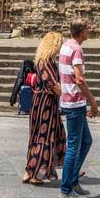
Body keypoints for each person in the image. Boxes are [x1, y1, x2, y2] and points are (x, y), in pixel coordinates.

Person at [58, 19, 98, 198]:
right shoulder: (76, 50)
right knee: (74, 145)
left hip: (68, 100)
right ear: (81, 31)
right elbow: (79, 79)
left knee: (86, 141)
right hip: (75, 102)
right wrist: (92, 101)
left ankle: (73, 181)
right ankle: (66, 190)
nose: (89, 31)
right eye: (87, 29)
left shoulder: (66, 45)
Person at [23, 31, 66, 185]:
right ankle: (36, 174)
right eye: (60, 44)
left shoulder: (46, 61)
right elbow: (52, 84)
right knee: (43, 137)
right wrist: (70, 96)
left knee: (55, 135)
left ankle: (30, 171)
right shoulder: (45, 61)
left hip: (44, 103)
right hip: (45, 104)